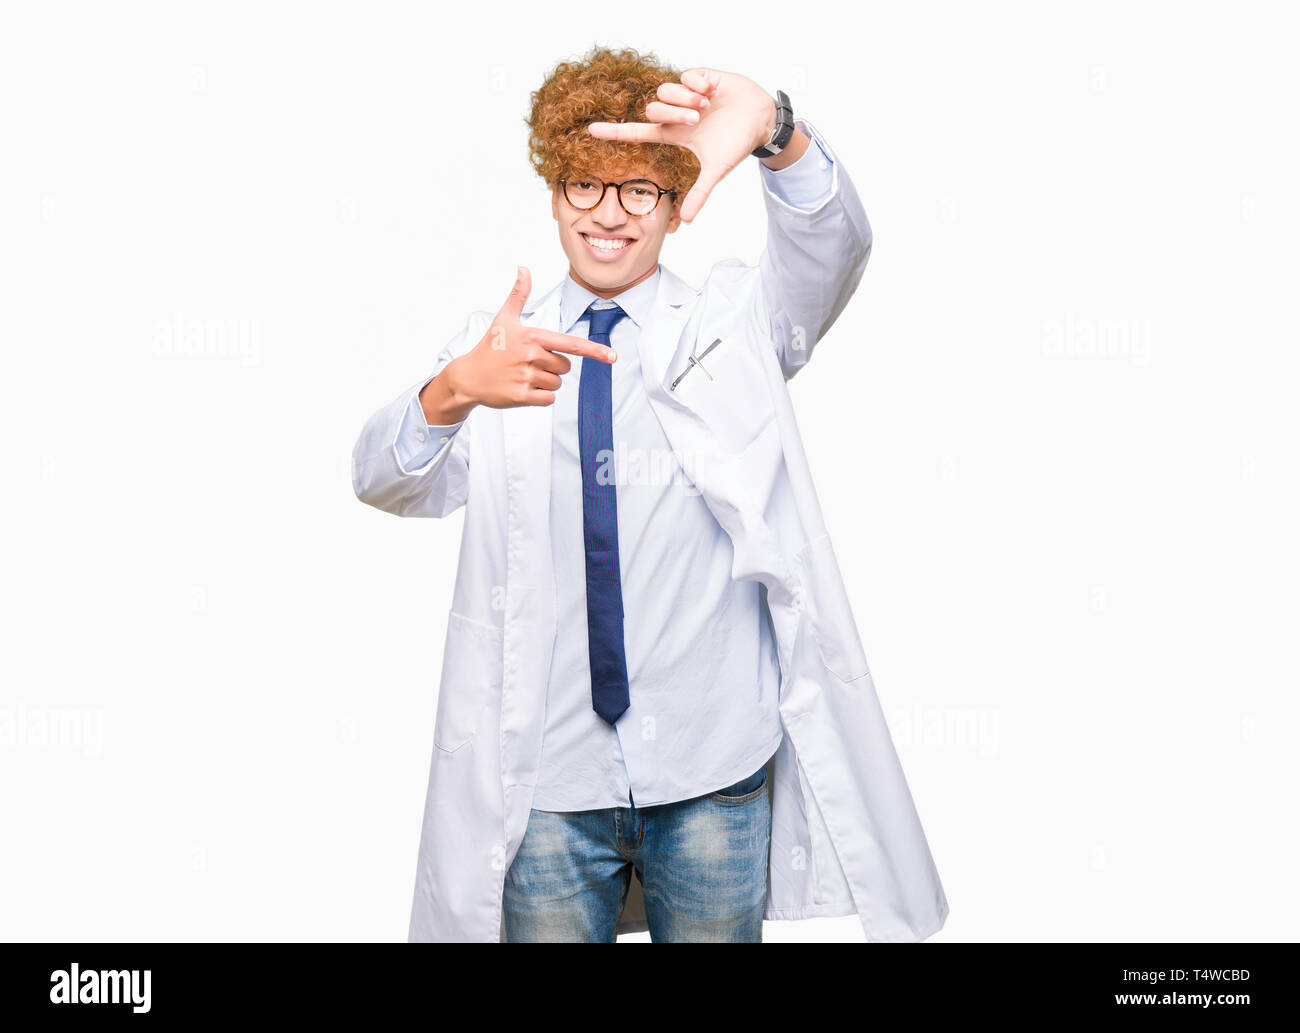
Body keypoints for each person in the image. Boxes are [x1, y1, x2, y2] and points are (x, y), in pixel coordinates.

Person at [352, 44, 949, 943]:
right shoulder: (499, 348)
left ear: (675, 204)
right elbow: (383, 479)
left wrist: (774, 129)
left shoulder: (732, 324)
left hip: (711, 773)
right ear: (554, 190)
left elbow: (836, 246)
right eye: (586, 185)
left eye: (640, 190)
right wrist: (454, 389)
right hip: (548, 783)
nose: (609, 215)